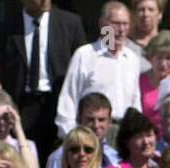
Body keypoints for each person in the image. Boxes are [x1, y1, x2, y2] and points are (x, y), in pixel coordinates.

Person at [0, 0, 87, 165]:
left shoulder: (70, 23)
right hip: (22, 106)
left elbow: (82, 67)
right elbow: (2, 72)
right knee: (24, 162)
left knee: (58, 164)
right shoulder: (6, 29)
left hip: (58, 105)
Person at [55, 1, 144, 137]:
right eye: (116, 24)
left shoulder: (132, 59)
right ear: (102, 24)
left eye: (125, 24)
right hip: (92, 131)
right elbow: (69, 99)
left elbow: (135, 101)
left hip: (124, 134)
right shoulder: (85, 55)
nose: (121, 30)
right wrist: (71, 137)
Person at [41, 93, 119, 168]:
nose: (96, 126)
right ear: (78, 119)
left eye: (101, 120)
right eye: (90, 120)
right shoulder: (61, 156)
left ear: (110, 122)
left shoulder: (115, 157)